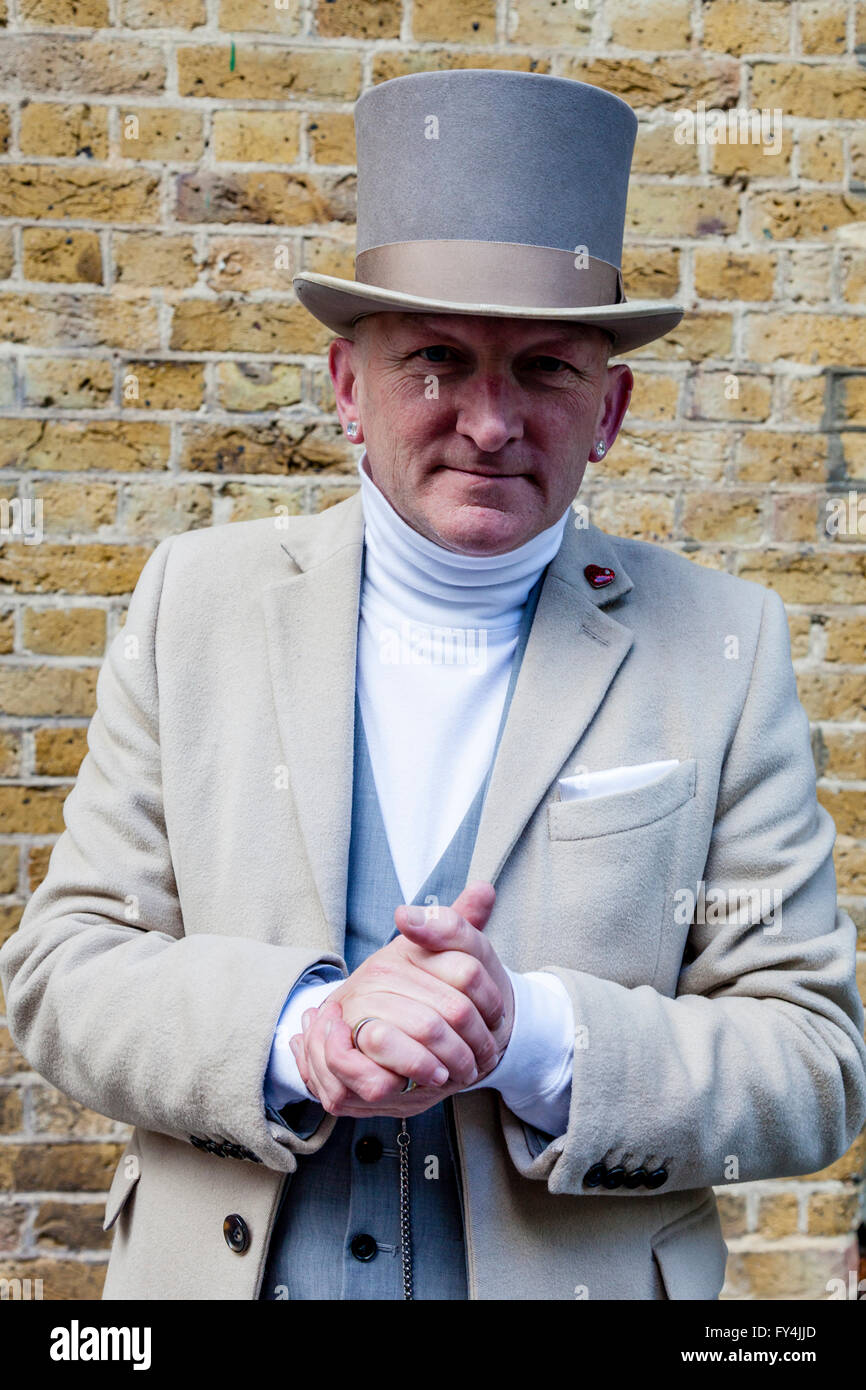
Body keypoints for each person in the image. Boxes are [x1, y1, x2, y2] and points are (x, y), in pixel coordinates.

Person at [1, 69, 864, 1303]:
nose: (491, 420)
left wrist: (535, 1040)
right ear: (350, 387)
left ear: (610, 408)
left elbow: (812, 1061)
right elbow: (63, 970)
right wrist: (297, 1029)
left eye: (548, 371)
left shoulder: (719, 648)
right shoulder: (192, 604)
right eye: (437, 360)